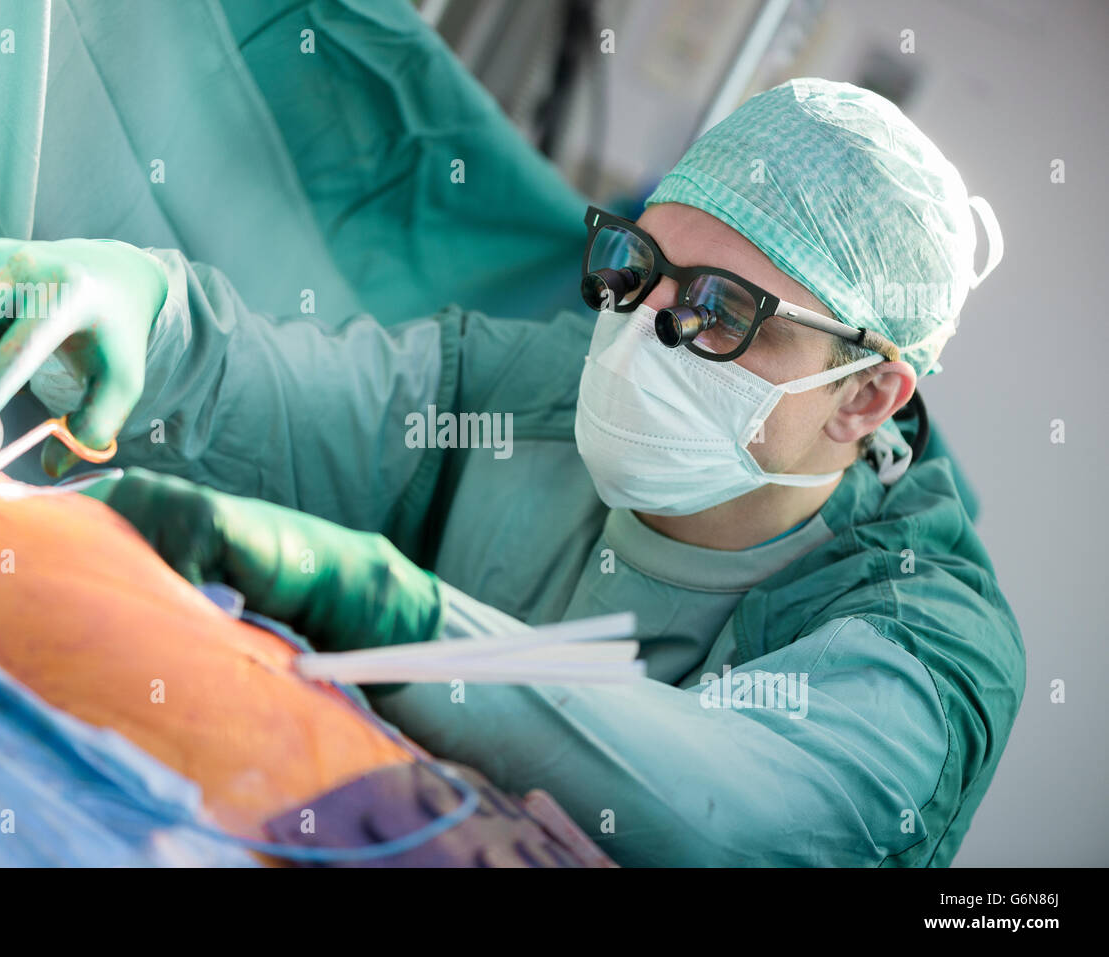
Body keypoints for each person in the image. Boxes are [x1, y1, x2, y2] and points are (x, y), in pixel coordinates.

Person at [60, 78, 1019, 866]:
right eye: (639, 269)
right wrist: (147, 319)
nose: (647, 334)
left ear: (864, 398)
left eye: (724, 313)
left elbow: (732, 817)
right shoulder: (535, 393)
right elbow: (282, 398)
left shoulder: (922, 639)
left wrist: (405, 622)